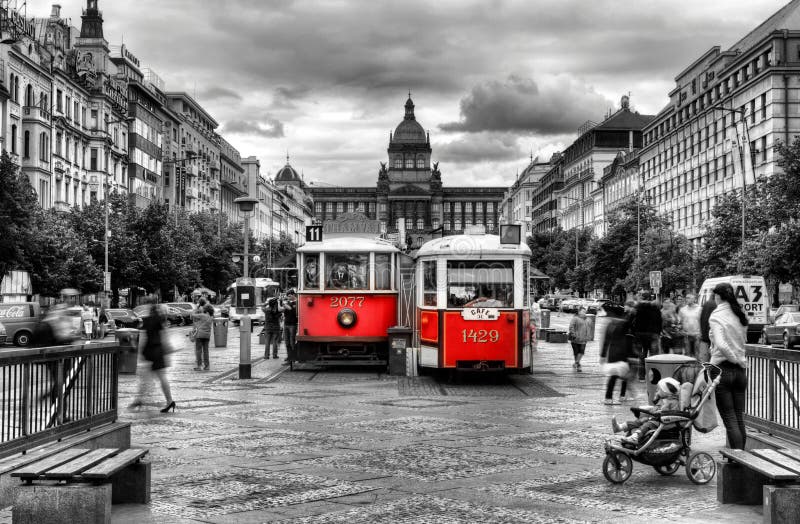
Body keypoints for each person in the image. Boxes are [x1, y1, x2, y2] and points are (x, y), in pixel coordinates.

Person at [709, 282, 749, 450]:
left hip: (722, 371)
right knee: (738, 417)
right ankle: (742, 457)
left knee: (730, 419)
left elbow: (722, 344)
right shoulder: (739, 314)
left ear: (718, 296)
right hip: (740, 373)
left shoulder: (716, 316)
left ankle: (738, 461)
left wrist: (734, 359)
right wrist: (739, 361)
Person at [130, 296, 175, 413]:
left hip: (150, 352)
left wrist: (139, 353)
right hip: (158, 351)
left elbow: (143, 338)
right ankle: (167, 401)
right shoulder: (159, 319)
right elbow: (164, 336)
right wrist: (167, 350)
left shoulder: (147, 320)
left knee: (147, 377)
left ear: (148, 306)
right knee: (156, 377)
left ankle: (140, 399)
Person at [615, 377, 682, 445]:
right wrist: (657, 399)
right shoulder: (664, 400)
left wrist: (661, 412)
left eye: (659, 390)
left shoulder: (673, 402)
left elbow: (674, 414)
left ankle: (635, 437)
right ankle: (620, 427)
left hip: (663, 422)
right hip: (657, 419)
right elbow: (655, 407)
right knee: (640, 421)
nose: (657, 391)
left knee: (647, 425)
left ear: (666, 391)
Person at [600, 304, 636, 405]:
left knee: (616, 374)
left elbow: (606, 341)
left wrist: (603, 355)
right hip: (622, 352)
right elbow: (630, 322)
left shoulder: (610, 324)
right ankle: (620, 396)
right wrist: (632, 311)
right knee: (621, 374)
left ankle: (612, 396)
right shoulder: (622, 324)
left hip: (612, 353)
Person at [632, 299, 662, 380]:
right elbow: (659, 321)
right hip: (653, 335)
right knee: (654, 357)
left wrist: (635, 333)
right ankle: (654, 376)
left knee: (642, 356)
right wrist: (658, 333)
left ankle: (641, 376)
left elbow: (634, 322)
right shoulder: (655, 308)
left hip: (640, 335)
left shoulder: (638, 308)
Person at [568, 307, 591, 372]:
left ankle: (576, 363)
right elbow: (571, 327)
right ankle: (578, 366)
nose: (584, 313)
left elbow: (589, 328)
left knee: (581, 352)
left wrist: (588, 336)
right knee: (576, 353)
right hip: (575, 339)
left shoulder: (587, 319)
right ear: (579, 312)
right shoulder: (575, 318)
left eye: (585, 312)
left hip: (583, 339)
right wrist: (574, 334)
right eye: (583, 311)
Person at [192, 300, 213, 371]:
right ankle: (207, 366)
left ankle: (199, 366)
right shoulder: (211, 317)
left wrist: (196, 308)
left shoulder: (202, 315)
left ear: (206, 311)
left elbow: (193, 315)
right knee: (206, 351)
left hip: (199, 335)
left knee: (198, 351)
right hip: (207, 336)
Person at [679, 294, 701, 358]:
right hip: (686, 334)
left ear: (694, 299)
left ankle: (697, 366)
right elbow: (679, 321)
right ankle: (688, 367)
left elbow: (702, 321)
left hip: (697, 334)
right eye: (686, 298)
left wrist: (701, 333)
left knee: (697, 353)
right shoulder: (682, 310)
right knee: (687, 353)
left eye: (689, 298)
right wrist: (681, 330)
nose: (687, 299)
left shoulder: (699, 309)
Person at [280, 290, 298, 363]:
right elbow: (281, 310)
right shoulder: (287, 303)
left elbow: (291, 309)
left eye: (290, 296)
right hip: (286, 324)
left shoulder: (297, 302)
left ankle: (293, 357)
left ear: (293, 295)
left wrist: (284, 304)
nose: (288, 297)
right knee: (287, 342)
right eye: (288, 296)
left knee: (292, 342)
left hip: (293, 324)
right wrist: (280, 303)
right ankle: (289, 356)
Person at [698, 295, 717, 363]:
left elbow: (701, 319)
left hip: (705, 337)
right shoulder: (717, 305)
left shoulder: (706, 304)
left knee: (704, 360)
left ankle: (705, 372)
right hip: (714, 337)